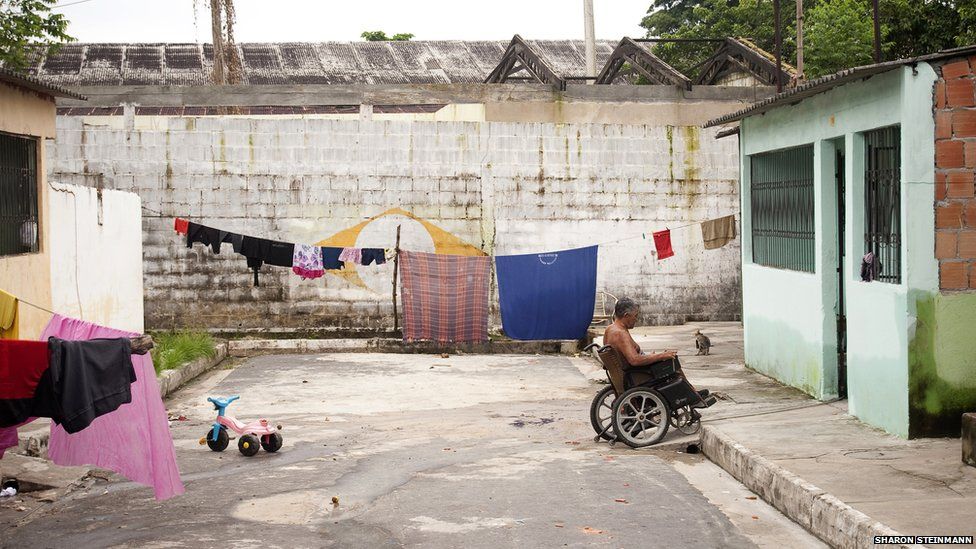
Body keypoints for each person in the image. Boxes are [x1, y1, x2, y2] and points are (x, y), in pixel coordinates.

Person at [603, 297, 708, 403]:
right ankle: (692, 396)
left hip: (628, 372)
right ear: (626, 316)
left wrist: (651, 357)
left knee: (666, 357)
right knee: (671, 361)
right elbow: (634, 360)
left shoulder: (610, 329)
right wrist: (660, 356)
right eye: (635, 316)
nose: (636, 319)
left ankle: (692, 393)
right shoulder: (621, 333)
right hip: (636, 375)